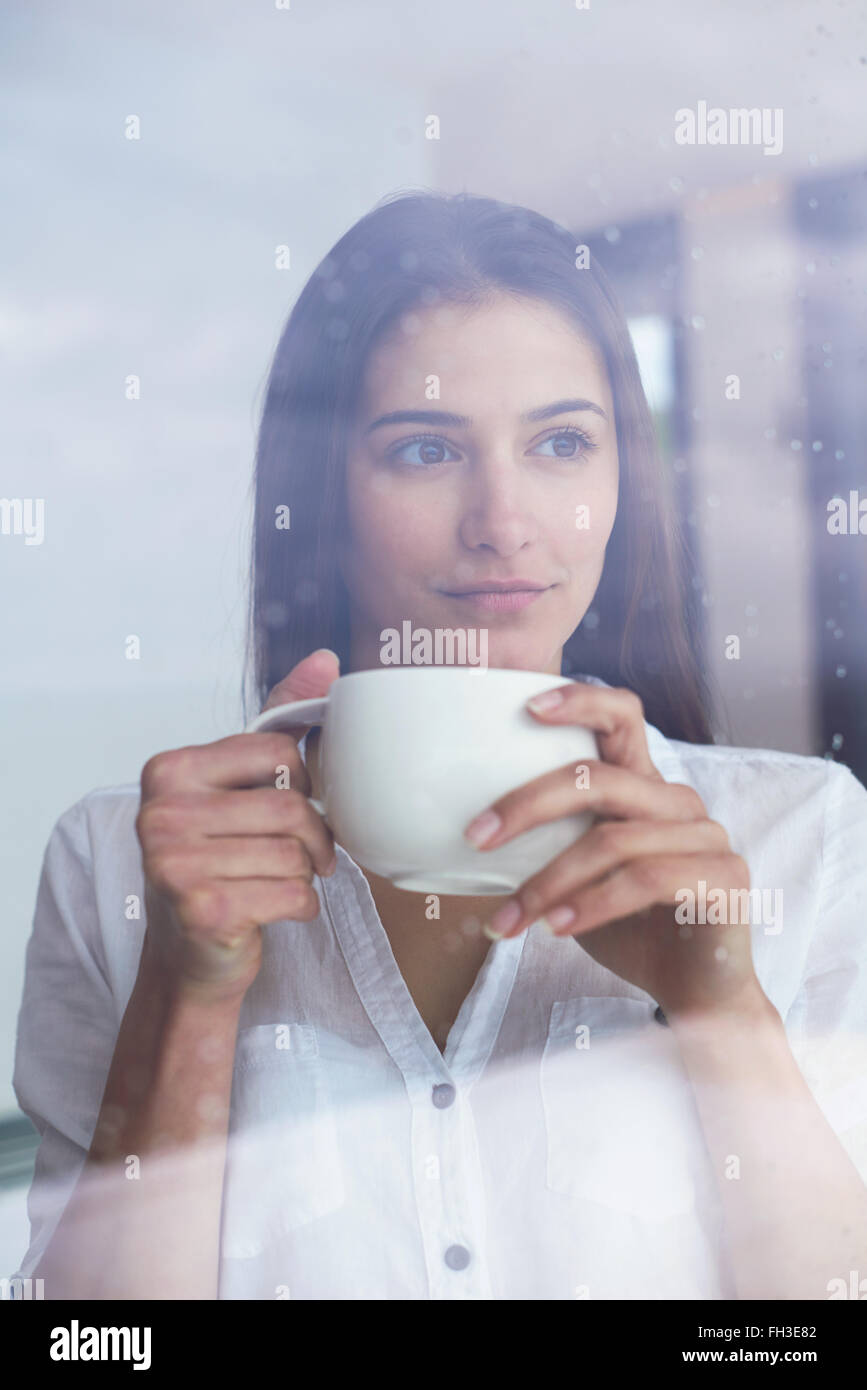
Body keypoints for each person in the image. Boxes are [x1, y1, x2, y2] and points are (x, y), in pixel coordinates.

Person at [11, 190, 867, 1301]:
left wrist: (726, 1013)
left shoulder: (805, 837)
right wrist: (187, 1000)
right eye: (425, 449)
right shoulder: (125, 865)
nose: (504, 521)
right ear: (324, 500)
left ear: (622, 481)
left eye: (562, 442)